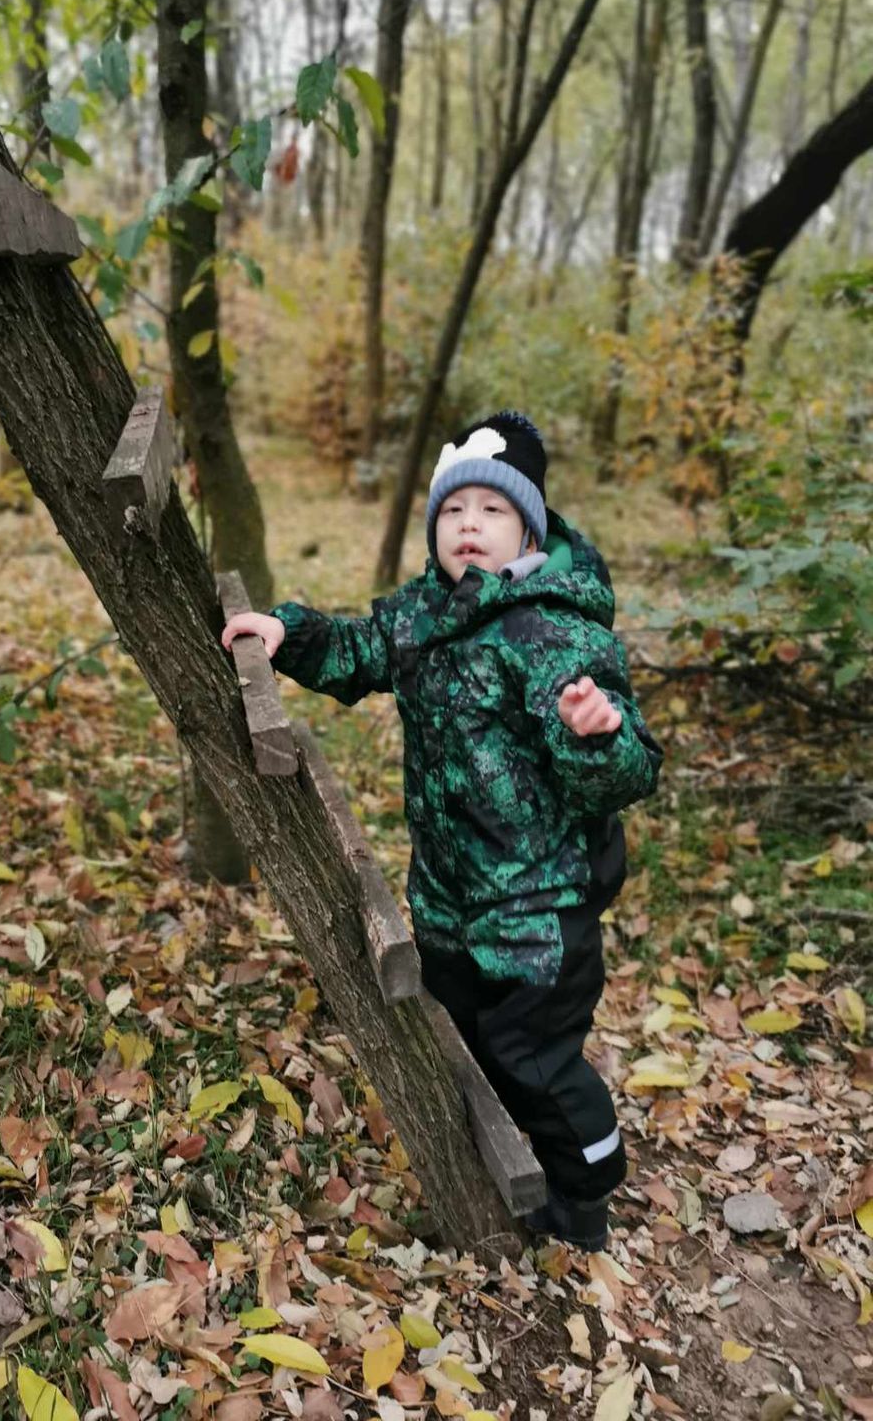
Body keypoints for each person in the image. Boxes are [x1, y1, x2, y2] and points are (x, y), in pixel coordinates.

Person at [220, 411, 663, 1249]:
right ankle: (513, 1153)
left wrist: (596, 734)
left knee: (532, 1056)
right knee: (461, 1033)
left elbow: (631, 770)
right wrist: (288, 634)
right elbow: (359, 650)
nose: (468, 525)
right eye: (453, 511)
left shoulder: (553, 632)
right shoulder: (424, 617)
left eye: (491, 513)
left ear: (528, 531)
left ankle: (587, 1190)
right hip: (452, 903)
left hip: (542, 916)